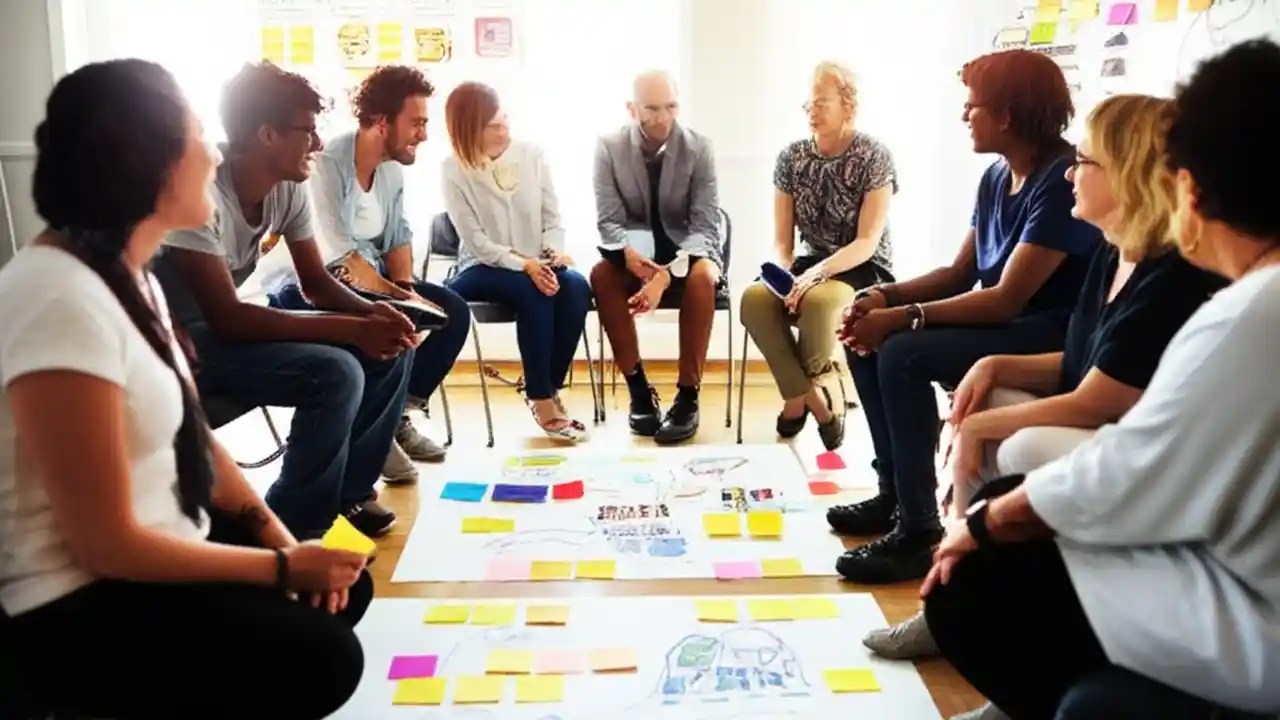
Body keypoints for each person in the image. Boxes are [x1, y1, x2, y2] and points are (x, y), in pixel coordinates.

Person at [0, 59, 370, 720]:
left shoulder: (127, 274)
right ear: (150, 162)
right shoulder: (55, 297)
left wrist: (283, 541)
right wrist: (283, 571)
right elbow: (103, 545)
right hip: (77, 603)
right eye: (199, 135)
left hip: (159, 546)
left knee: (347, 587)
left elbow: (191, 436)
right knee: (326, 655)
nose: (212, 151)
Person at [923, 39, 1280, 720]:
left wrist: (984, 523)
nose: (1068, 176)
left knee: (974, 575)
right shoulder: (1242, 297)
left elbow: (1133, 465)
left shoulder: (1250, 311)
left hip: (1257, 621)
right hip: (1240, 567)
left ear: (1189, 185)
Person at [860, 93, 1228, 720]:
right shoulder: (1112, 249)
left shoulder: (1177, 274)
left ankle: (996, 611)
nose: (1068, 173)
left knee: (1019, 441)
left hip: (1143, 450)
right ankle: (956, 595)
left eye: (1083, 161)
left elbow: (1105, 397)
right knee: (995, 399)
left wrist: (981, 424)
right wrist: (993, 366)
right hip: (1106, 421)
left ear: (1130, 173)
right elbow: (1079, 358)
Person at [831, 50, 1102, 584]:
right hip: (1008, 321)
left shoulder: (1059, 179)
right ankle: (892, 492)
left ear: (1007, 114)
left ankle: (919, 529)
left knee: (903, 352)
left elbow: (1005, 298)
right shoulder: (995, 177)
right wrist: (883, 298)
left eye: (972, 105)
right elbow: (960, 272)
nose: (964, 116)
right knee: (867, 336)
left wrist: (904, 319)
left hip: (1047, 331)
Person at [152, 61, 415, 539]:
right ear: (266, 134)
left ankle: (348, 498)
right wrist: (353, 328)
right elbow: (227, 320)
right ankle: (295, 526)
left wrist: (374, 312)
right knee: (337, 370)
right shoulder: (199, 190)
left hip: (217, 328)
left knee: (390, 351)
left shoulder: (287, 189)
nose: (316, 144)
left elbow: (316, 282)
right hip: (176, 342)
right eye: (307, 132)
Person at [297, 64, 470, 476]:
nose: (424, 135)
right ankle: (375, 436)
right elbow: (339, 256)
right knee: (398, 318)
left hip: (373, 283)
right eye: (417, 123)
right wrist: (401, 299)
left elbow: (398, 238)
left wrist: (408, 288)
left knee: (452, 311)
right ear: (380, 122)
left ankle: (393, 421)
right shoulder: (327, 165)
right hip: (317, 286)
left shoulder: (391, 170)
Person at [740, 61, 897, 451]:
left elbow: (867, 240)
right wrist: (785, 273)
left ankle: (797, 400)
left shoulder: (874, 156)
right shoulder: (791, 157)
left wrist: (816, 276)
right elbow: (782, 243)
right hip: (809, 263)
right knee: (754, 300)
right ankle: (818, 401)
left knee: (820, 304)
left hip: (861, 267)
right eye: (808, 104)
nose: (812, 111)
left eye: (822, 102)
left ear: (848, 105)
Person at [441, 81, 591, 442]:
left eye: (504, 119)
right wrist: (525, 265)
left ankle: (546, 385)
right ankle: (542, 400)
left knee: (575, 287)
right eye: (492, 125)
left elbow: (552, 217)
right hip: (481, 266)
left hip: (537, 261)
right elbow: (476, 241)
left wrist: (552, 252)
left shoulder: (532, 155)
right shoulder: (453, 168)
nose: (503, 129)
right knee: (534, 288)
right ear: (467, 129)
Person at [590, 69, 723, 444]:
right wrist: (632, 259)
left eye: (671, 106)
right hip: (635, 258)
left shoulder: (700, 149)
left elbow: (706, 227)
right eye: (652, 108)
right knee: (601, 274)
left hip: (690, 256)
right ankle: (638, 391)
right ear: (632, 108)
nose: (663, 117)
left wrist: (665, 275)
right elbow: (608, 220)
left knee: (704, 278)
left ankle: (687, 398)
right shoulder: (608, 147)